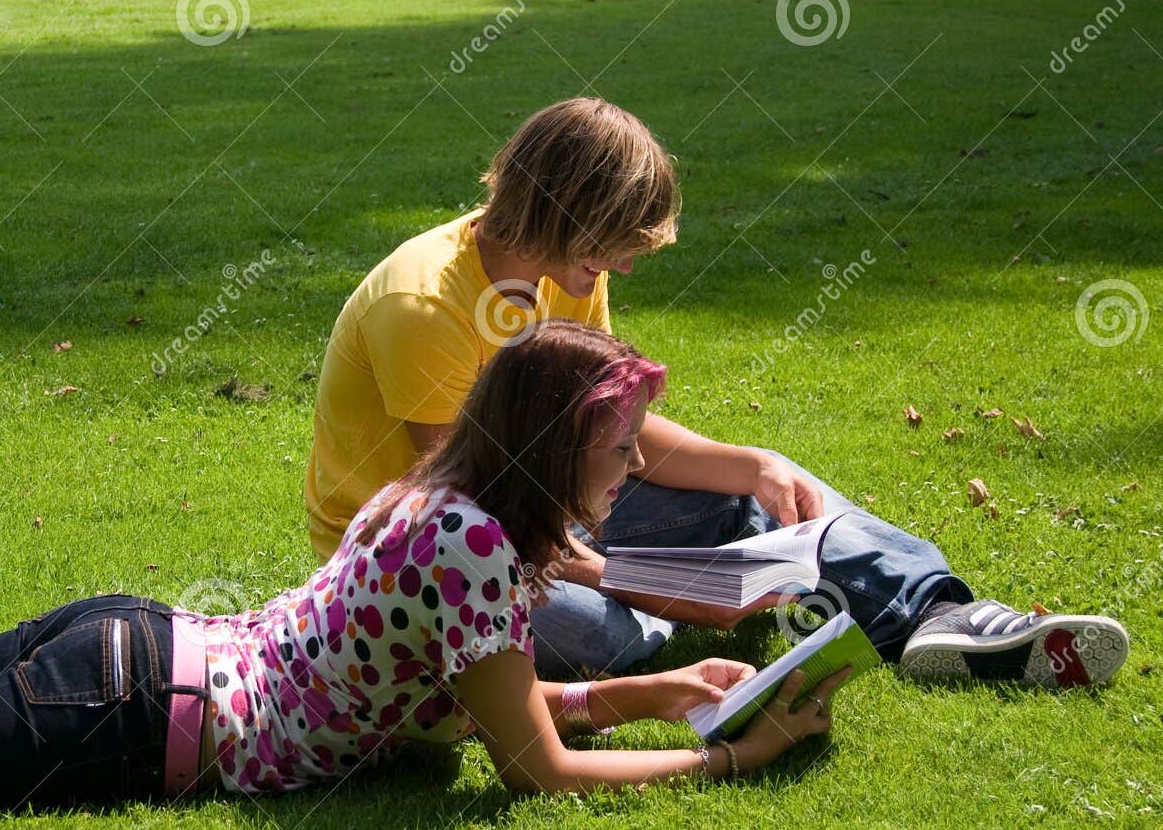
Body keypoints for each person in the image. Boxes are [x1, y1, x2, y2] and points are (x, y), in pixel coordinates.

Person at [0, 304, 844, 813]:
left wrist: (648, 689)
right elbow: (537, 769)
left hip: (124, 650)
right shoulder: (472, 553)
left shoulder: (443, 503)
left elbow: (477, 709)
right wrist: (729, 752)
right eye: (620, 448)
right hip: (126, 712)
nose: (632, 469)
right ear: (557, 446)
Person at [303, 97, 1130, 687]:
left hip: (555, 499)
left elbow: (614, 433)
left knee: (769, 500)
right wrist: (640, 582)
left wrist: (753, 464)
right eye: (611, 246)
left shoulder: (567, 271)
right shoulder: (424, 304)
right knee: (604, 633)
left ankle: (947, 617)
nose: (621, 266)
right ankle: (673, 612)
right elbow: (467, 513)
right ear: (561, 211)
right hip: (424, 557)